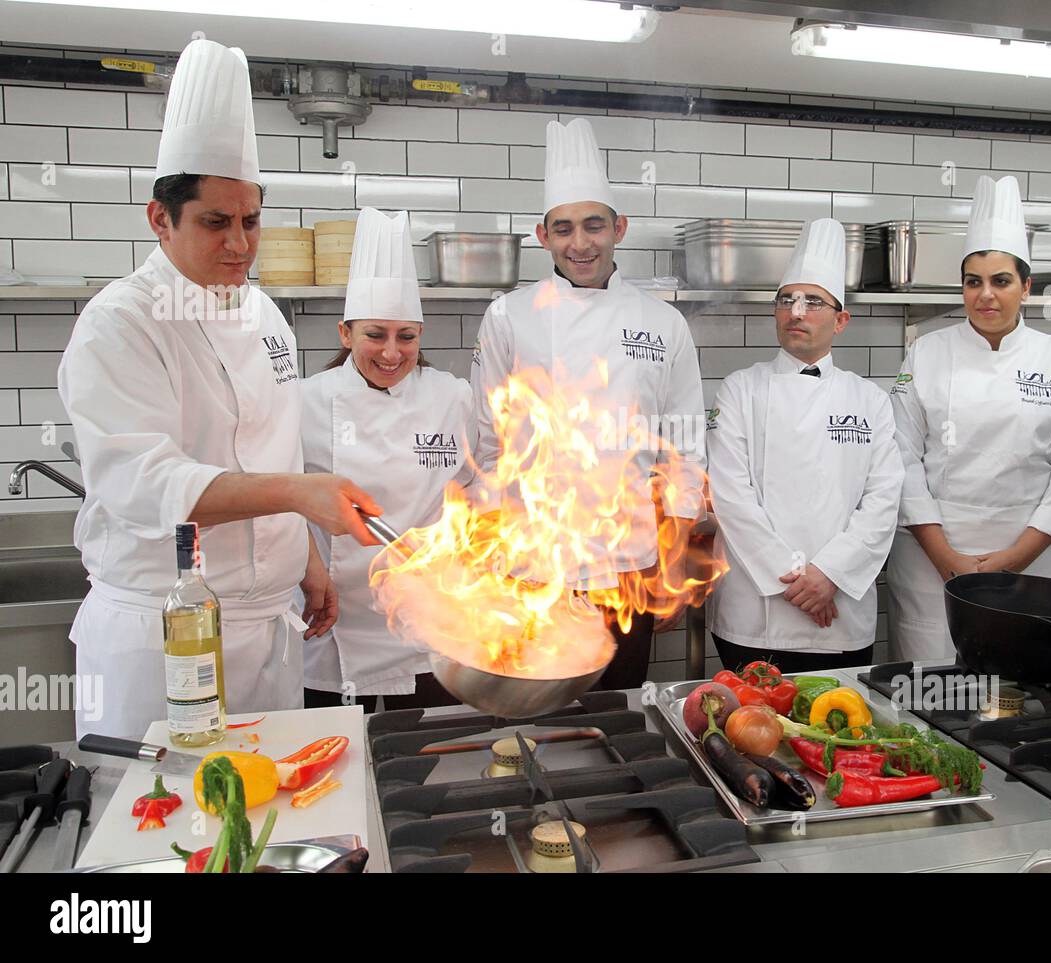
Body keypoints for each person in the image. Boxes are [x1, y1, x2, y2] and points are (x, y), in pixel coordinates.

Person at [57, 39, 380, 739]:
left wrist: (307, 554)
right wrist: (299, 498)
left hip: (269, 632)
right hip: (160, 637)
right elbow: (146, 484)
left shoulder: (263, 313)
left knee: (272, 829)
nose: (239, 244)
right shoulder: (121, 322)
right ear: (159, 219)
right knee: (161, 839)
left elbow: (277, 446)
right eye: (214, 222)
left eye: (251, 221)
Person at [470, 117, 705, 689]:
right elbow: (487, 446)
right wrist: (487, 557)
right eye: (564, 228)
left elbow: (683, 453)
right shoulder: (508, 316)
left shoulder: (662, 322)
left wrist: (671, 563)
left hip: (627, 564)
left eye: (594, 225)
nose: (581, 243)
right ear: (542, 234)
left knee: (619, 715)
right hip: (531, 567)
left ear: (619, 227)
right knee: (534, 712)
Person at [887, 175, 1051, 663]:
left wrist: (1014, 559)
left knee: (1021, 695)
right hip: (933, 560)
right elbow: (901, 459)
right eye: (973, 282)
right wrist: (947, 559)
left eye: (1000, 281)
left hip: (1032, 559)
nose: (985, 295)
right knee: (934, 695)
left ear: (1025, 286)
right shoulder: (926, 354)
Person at [706, 218, 904, 671]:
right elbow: (731, 496)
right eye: (786, 300)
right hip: (756, 613)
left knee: (839, 732)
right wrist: (800, 583)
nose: (796, 311)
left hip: (839, 610)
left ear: (842, 320)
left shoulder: (869, 400)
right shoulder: (740, 389)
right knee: (749, 732)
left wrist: (828, 576)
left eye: (813, 301)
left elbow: (883, 500)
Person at [300, 208, 476, 711]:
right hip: (332, 617)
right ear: (345, 332)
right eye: (375, 334)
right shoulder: (304, 401)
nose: (392, 353)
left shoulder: (453, 397)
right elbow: (285, 505)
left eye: (407, 336)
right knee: (335, 759)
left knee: (419, 763)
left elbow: (480, 487)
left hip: (425, 618)